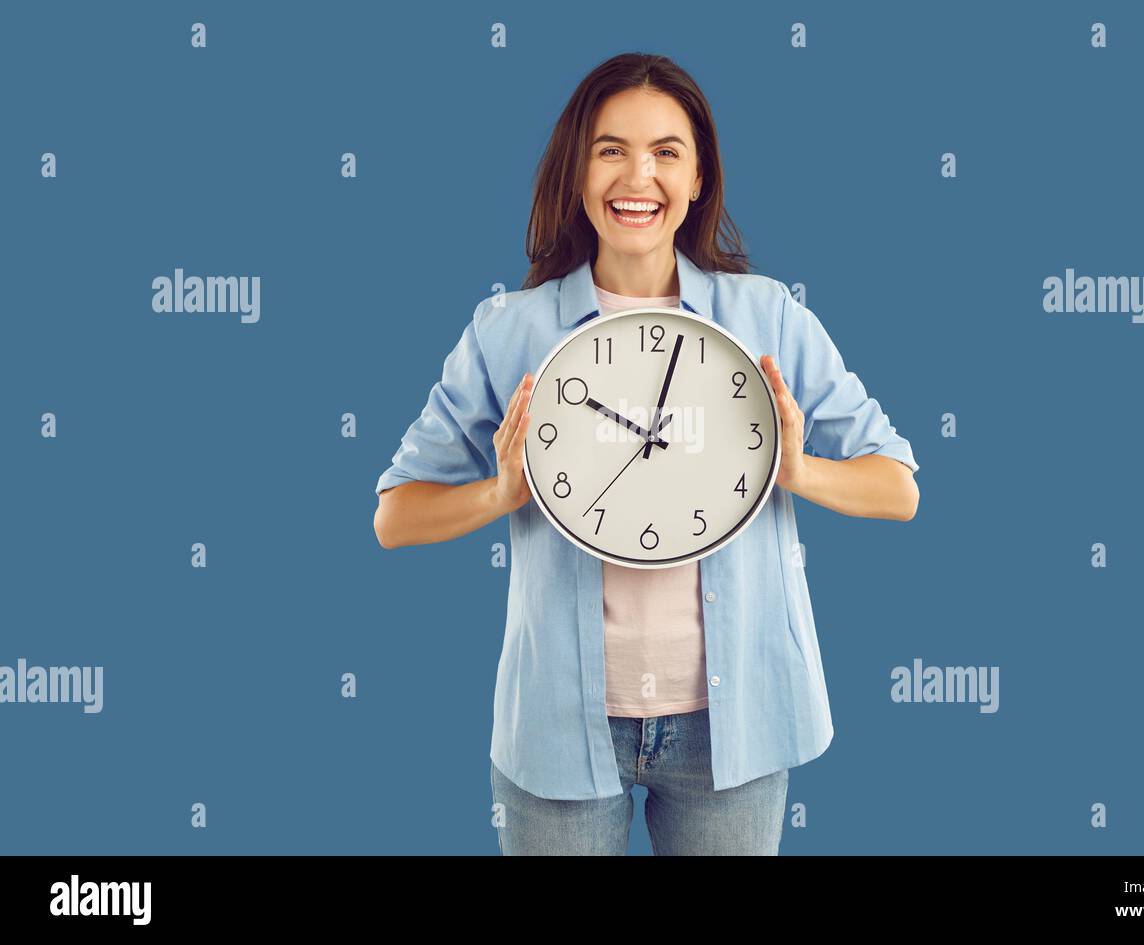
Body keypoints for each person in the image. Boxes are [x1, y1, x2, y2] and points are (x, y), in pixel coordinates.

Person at [373, 53, 920, 855]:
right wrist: (499, 492)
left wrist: (798, 471)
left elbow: (898, 484)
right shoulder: (507, 330)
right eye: (611, 149)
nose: (640, 175)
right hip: (559, 728)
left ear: (698, 178)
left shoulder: (764, 315)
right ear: (577, 172)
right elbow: (394, 515)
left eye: (667, 151)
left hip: (732, 732)